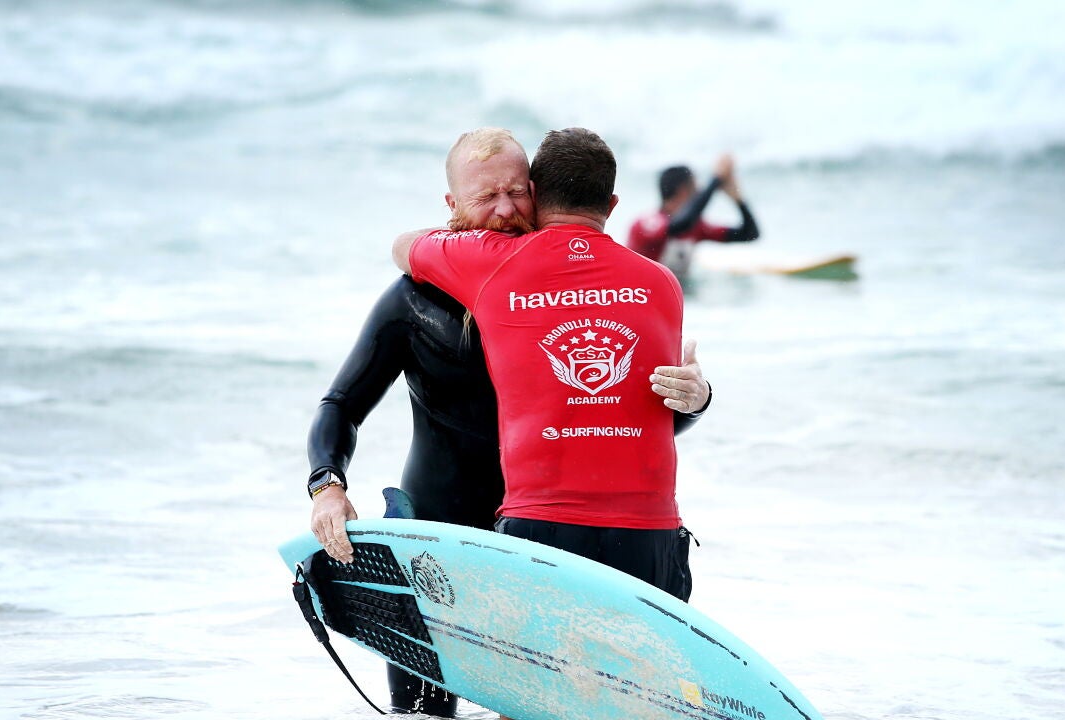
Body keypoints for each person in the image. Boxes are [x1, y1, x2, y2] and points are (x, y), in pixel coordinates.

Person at [305, 127, 710, 716]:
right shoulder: (412, 301)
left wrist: (694, 399)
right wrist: (327, 486)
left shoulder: (579, 291)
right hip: (439, 537)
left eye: (517, 193)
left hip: (542, 537)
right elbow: (340, 404)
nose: (503, 210)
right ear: (451, 207)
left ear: (540, 193)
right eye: (483, 198)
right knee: (421, 712)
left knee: (555, 706)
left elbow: (625, 424)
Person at [393, 128, 697, 610]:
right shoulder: (661, 283)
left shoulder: (490, 262)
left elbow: (404, 246)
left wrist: (460, 233)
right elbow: (659, 411)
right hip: (650, 531)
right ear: (612, 204)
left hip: (541, 527)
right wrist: (700, 400)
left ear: (534, 193)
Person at [627, 154, 760, 280]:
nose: (699, 192)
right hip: (642, 295)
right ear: (683, 191)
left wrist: (738, 200)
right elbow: (682, 224)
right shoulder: (647, 224)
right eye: (696, 187)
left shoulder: (697, 228)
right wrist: (716, 179)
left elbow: (749, 234)